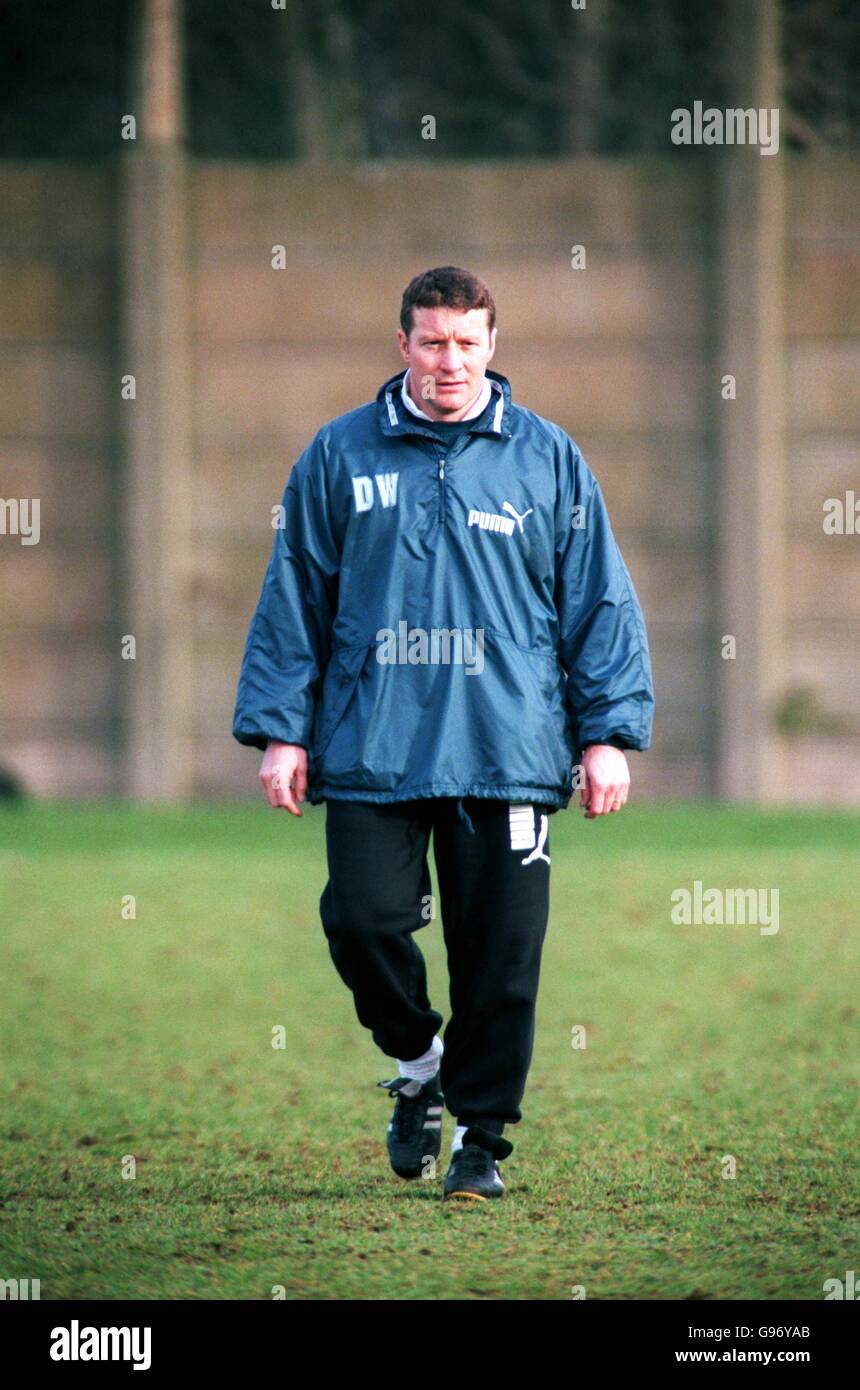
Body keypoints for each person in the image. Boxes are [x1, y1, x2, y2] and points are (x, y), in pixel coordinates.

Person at [233, 265, 654, 1201]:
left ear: (493, 347)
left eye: (467, 343)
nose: (449, 361)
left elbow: (597, 604)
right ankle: (420, 1061)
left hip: (509, 750)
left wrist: (607, 733)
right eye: (432, 342)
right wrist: (281, 731)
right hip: (374, 743)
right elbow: (294, 597)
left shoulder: (549, 458)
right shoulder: (339, 455)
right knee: (361, 920)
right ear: (403, 346)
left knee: (501, 958)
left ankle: (481, 1142)